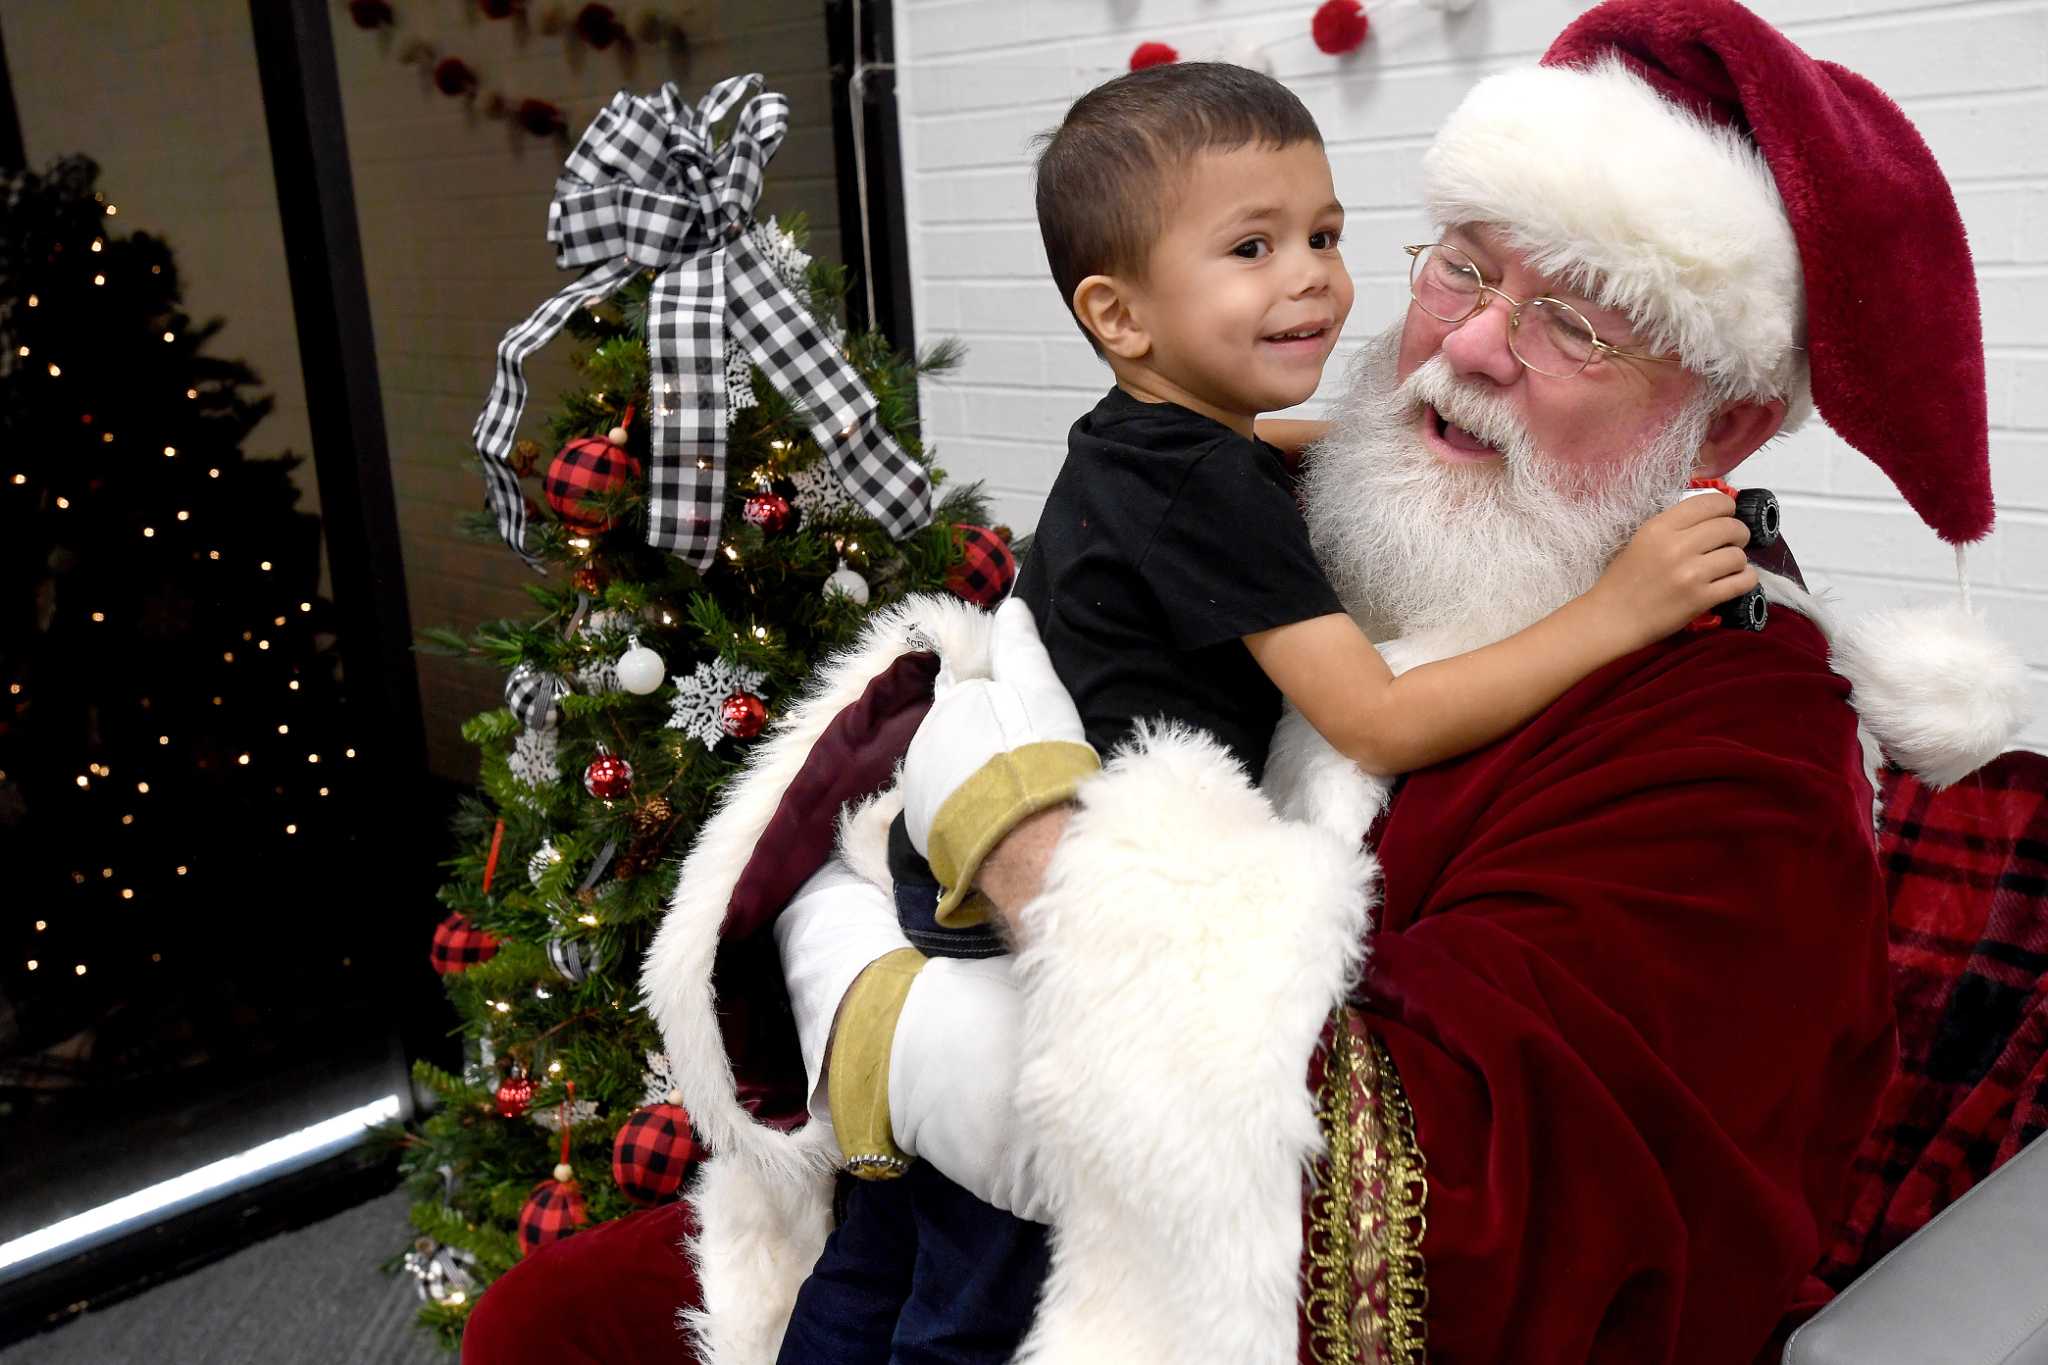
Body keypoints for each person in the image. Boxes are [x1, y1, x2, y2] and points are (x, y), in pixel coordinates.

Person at [467, 2, 2027, 1361]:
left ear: (1729, 429)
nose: (1469, 345)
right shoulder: (1362, 503)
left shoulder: (1737, 744)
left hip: (1186, 1258)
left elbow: (1444, 1213)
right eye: (1461, 268)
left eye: (1570, 322)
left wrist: (1014, 868)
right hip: (1013, 1123)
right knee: (557, 1312)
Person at [776, 60, 1760, 1365]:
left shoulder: (1152, 438)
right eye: (1252, 247)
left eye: (1328, 234)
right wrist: (1615, 610)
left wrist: (1342, 439)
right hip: (1038, 945)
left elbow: (1235, 471)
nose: (1309, 276)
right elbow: (1379, 722)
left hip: (944, 887)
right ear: (1120, 316)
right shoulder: (1214, 496)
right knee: (983, 1291)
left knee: (874, 1255)